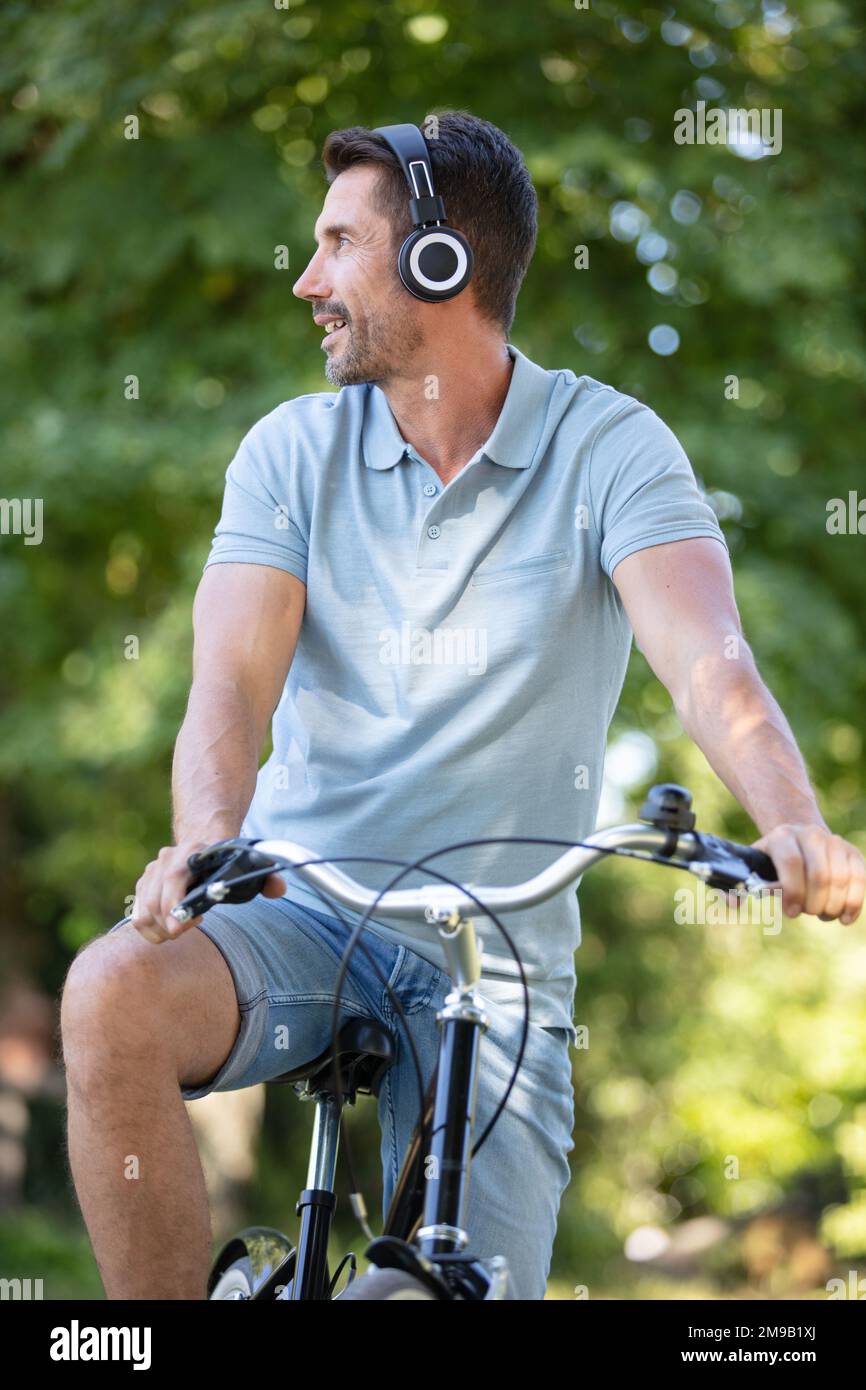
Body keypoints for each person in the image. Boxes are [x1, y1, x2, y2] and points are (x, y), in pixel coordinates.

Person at [60, 112, 865, 1300]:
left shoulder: (610, 448)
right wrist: (202, 841)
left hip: (502, 959)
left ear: (438, 262)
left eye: (338, 244)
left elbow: (710, 662)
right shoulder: (290, 452)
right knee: (110, 989)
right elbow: (231, 684)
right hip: (307, 907)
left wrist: (789, 818)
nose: (306, 278)